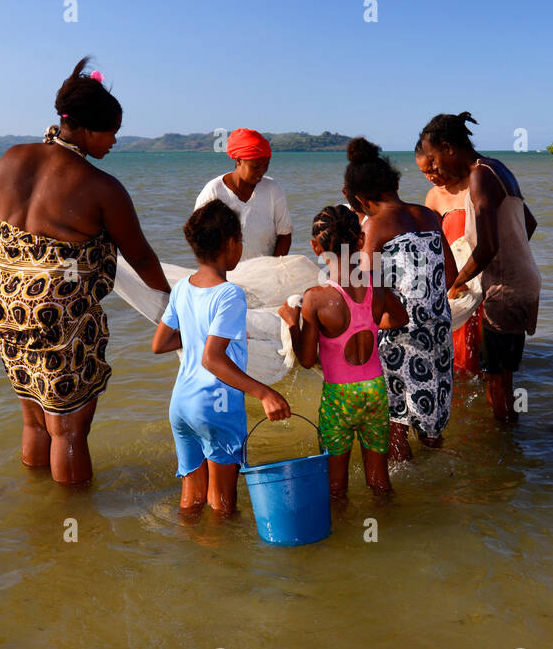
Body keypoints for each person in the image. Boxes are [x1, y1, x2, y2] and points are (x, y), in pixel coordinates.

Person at [0, 57, 170, 485]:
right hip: (58, 314)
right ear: (83, 129)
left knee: (33, 419)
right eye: (110, 131)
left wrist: (35, 261)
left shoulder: (9, 159)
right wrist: (175, 298)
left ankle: (39, 513)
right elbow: (141, 259)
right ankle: (76, 527)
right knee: (69, 430)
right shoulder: (102, 187)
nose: (115, 140)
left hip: (4, 301)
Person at [152, 199, 291, 515]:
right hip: (217, 405)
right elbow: (212, 359)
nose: (241, 247)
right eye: (240, 240)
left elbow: (159, 343)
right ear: (230, 244)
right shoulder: (230, 294)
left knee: (191, 501)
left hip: (182, 405)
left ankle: (185, 555)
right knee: (223, 506)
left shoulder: (183, 289)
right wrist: (264, 393)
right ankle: (218, 558)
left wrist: (196, 332)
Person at [418, 111, 540, 424]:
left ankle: (502, 446)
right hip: (516, 283)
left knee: (496, 382)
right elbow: (529, 222)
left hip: (504, 290)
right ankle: (505, 443)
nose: (435, 169)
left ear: (448, 148)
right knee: (501, 377)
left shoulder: (481, 175)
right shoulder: (495, 169)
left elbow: (486, 247)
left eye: (434, 159)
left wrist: (457, 283)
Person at [279, 205, 408, 498]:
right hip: (375, 390)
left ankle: (339, 540)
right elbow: (401, 318)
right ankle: (391, 535)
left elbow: (308, 359)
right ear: (361, 241)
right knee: (379, 481)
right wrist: (373, 322)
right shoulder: (377, 282)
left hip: (340, 398)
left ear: (316, 247)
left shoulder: (316, 299)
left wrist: (292, 324)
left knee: (336, 487)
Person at [343, 137, 457, 461]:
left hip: (399, 337)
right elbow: (451, 273)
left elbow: (367, 297)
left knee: (396, 426)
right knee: (431, 418)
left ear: (361, 199)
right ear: (393, 183)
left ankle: (404, 496)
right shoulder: (429, 215)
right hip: (438, 332)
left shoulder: (374, 228)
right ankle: (442, 478)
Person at [417, 140, 483, 378]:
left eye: (433, 170)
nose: (430, 177)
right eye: (424, 173)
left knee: (483, 347)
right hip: (452, 277)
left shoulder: (475, 185)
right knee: (454, 346)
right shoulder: (433, 197)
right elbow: (431, 244)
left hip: (481, 273)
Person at [193, 128, 292, 259]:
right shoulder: (213, 191)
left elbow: (284, 234)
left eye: (266, 165)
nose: (262, 171)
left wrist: (273, 269)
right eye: (255, 166)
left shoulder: (273, 189)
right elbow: (200, 238)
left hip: (266, 273)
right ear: (239, 161)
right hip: (226, 274)